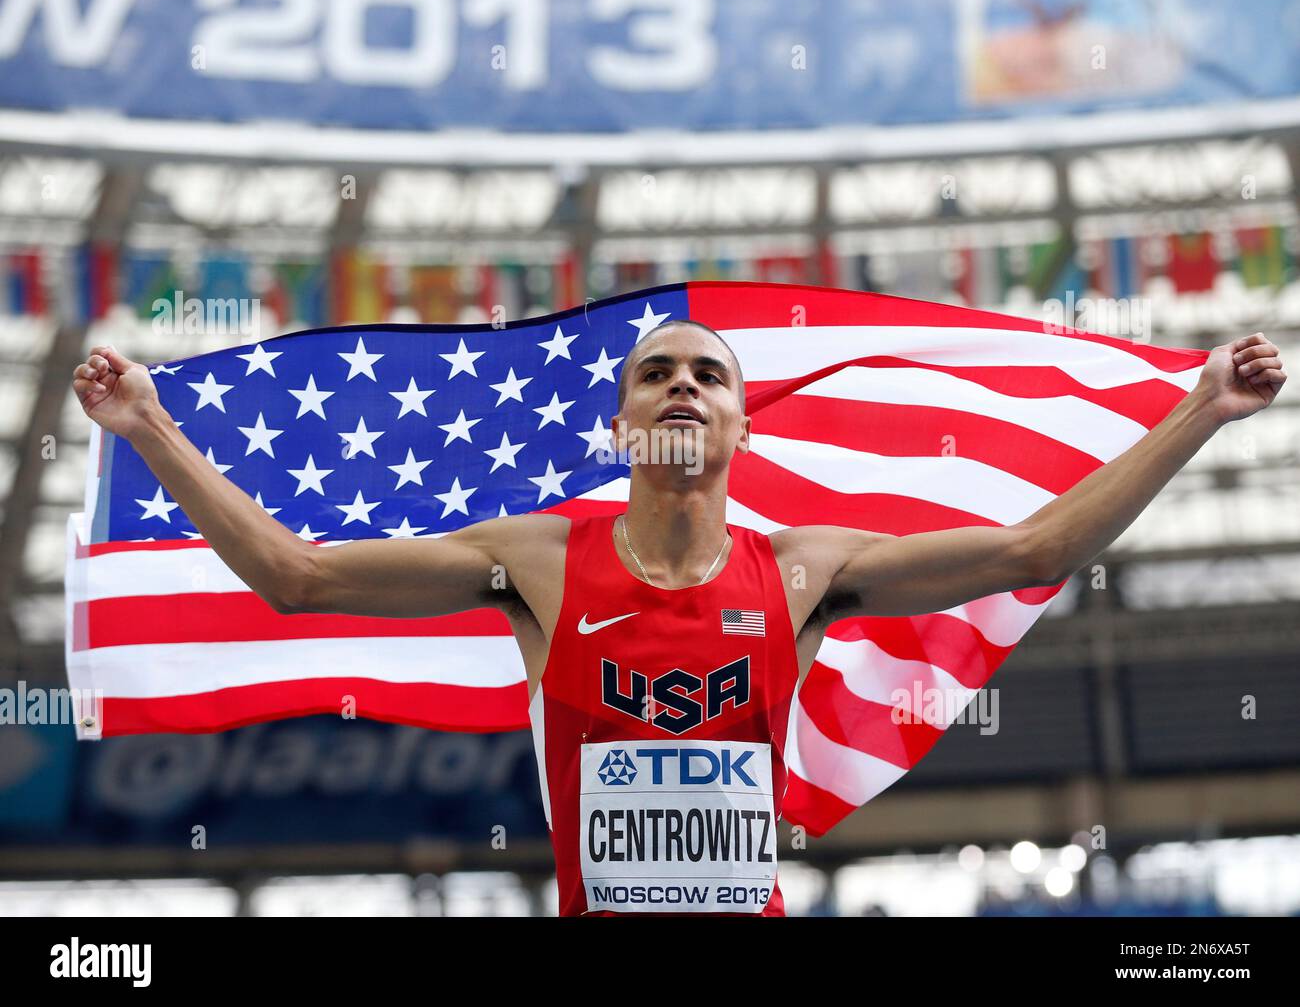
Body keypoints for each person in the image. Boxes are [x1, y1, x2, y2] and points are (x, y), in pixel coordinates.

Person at [72, 319, 1286, 916]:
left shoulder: (806, 569)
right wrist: (148, 429)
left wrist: (1200, 409)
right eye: (655, 372)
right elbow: (298, 576)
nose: (682, 387)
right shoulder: (539, 560)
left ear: (742, 429)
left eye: (708, 374)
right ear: (619, 427)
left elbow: (1037, 548)